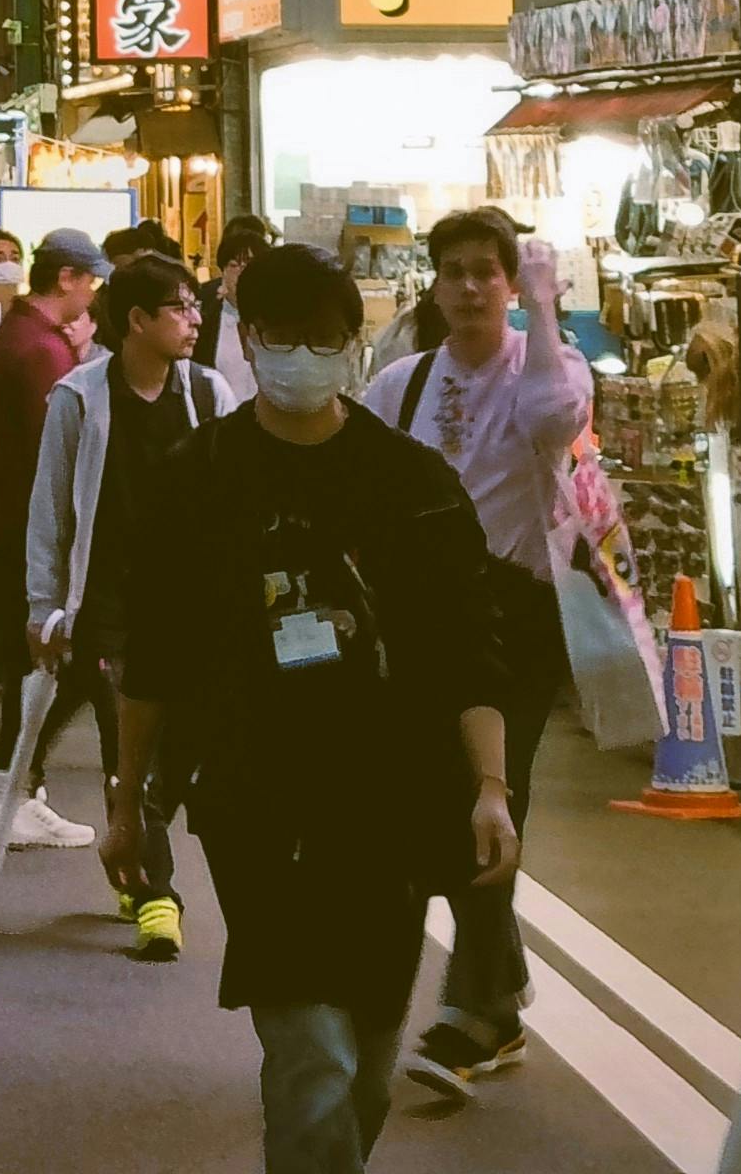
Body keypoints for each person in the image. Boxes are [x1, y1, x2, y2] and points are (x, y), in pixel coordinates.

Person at [107, 242, 514, 1174]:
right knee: (313, 1056)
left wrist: (490, 786)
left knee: (365, 1061)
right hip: (254, 797)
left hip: (393, 799)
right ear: (249, 340)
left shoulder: (409, 481)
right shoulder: (196, 477)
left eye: (323, 339)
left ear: (351, 346)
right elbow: (153, 659)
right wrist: (129, 802)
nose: (302, 356)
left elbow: (469, 650)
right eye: (282, 337)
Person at [357, 204, 589, 1102]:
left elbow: (555, 421)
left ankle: (473, 1012)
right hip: (422, 617)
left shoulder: (546, 367)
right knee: (441, 798)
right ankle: (498, 994)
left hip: (517, 615)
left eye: (485, 271)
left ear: (510, 281)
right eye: (452, 271)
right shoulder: (404, 381)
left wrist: (544, 303)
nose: (467, 288)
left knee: (492, 796)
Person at [0, 248, 225, 905]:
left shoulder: (206, 394)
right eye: (180, 308)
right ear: (137, 319)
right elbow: (50, 508)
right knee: (124, 746)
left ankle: (17, 774)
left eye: (196, 306)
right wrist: (42, 606)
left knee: (166, 746)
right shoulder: (80, 397)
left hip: (185, 600)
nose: (195, 320)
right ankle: (152, 894)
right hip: (104, 600)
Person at [0, 232, 106, 686]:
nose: (91, 295)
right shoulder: (41, 349)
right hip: (26, 516)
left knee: (35, 674)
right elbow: (55, 447)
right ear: (66, 278)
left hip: (11, 510)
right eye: (89, 282)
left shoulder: (26, 331)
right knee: (41, 668)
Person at [201, 215, 275, 399]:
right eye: (234, 265)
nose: (242, 273)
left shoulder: (279, 318)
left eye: (249, 265)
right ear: (222, 271)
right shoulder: (205, 317)